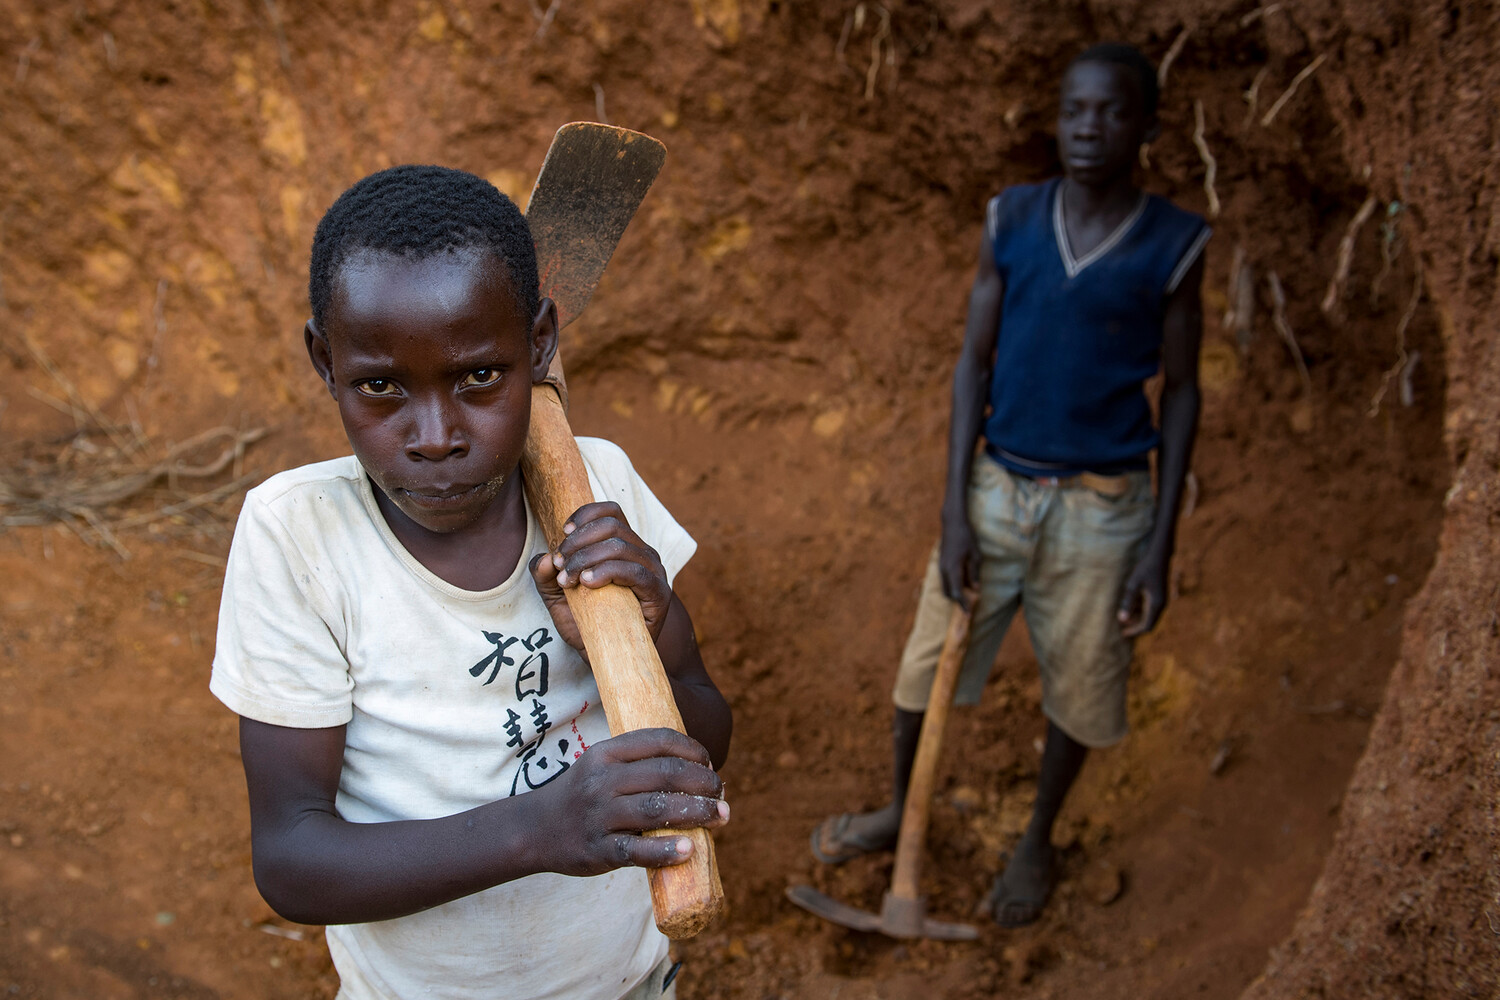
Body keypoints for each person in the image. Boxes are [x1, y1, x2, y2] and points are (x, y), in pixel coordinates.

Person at [210, 165, 732, 999]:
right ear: (324, 358)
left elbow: (705, 737)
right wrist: (538, 829)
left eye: (479, 377)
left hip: (626, 980)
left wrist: (656, 625)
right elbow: (292, 861)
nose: (437, 436)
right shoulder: (298, 534)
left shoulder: (598, 489)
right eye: (381, 386)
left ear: (538, 345)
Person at [810, 43, 1210, 927]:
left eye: (1110, 113)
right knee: (922, 673)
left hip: (1106, 510)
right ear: (1056, 119)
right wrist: (955, 509)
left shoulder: (1173, 246)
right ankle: (898, 806)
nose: (1088, 129)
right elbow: (972, 365)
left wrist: (1160, 544)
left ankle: (1037, 841)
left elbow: (1181, 392)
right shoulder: (1015, 220)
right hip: (997, 490)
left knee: (1080, 683)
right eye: (1075, 111)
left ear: (1146, 128)